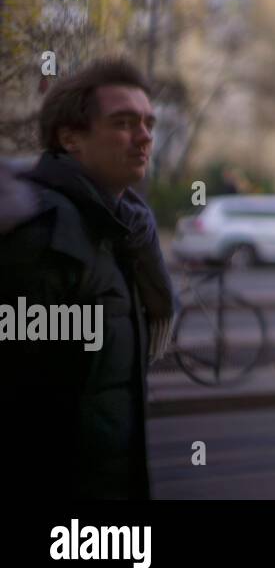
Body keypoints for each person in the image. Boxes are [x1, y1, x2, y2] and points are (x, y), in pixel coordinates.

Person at [0, 57, 178, 499]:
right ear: (70, 138)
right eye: (123, 123)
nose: (144, 138)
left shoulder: (123, 231)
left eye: (148, 123)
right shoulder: (44, 238)